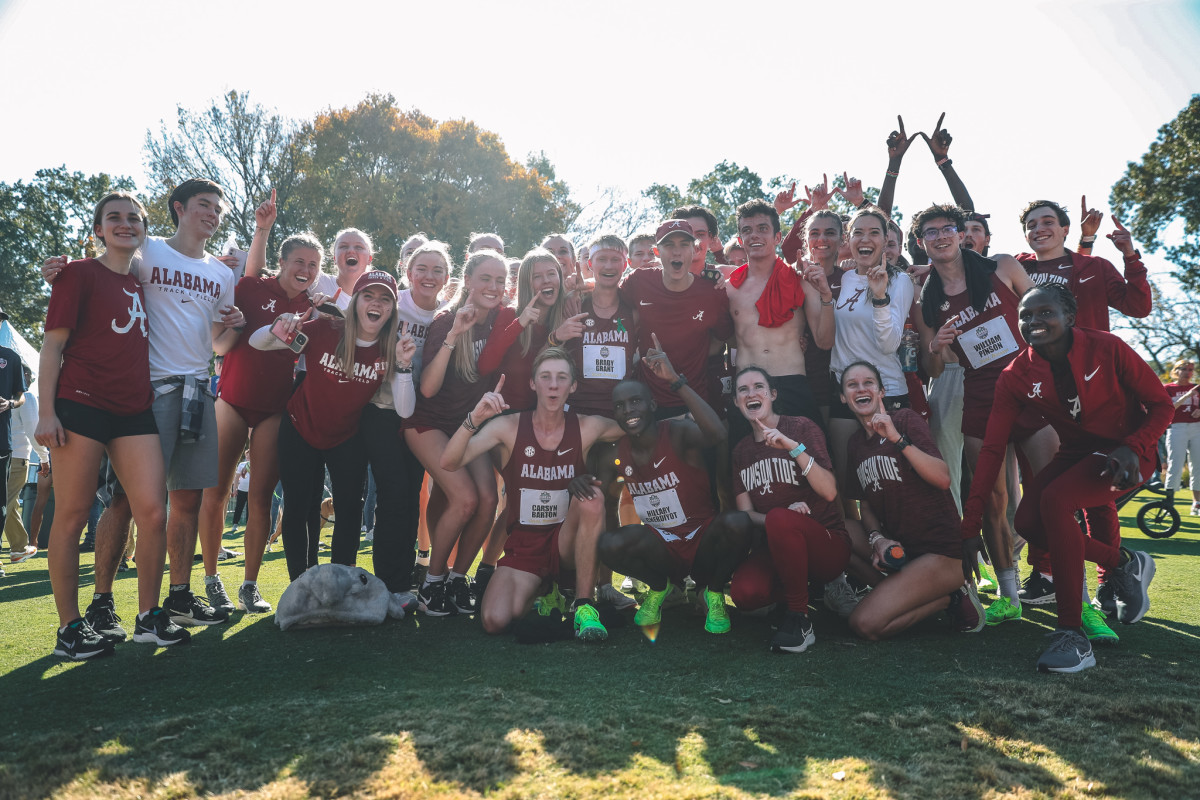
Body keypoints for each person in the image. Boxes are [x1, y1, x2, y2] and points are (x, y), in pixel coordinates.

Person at [43, 178, 244, 633]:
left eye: (218, 208)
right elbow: (99, 269)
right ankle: (100, 602)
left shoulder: (222, 272)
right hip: (145, 393)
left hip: (196, 390)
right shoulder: (147, 250)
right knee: (123, 503)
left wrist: (237, 325)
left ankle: (174, 599)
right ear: (179, 208)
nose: (211, 213)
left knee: (182, 502)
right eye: (202, 205)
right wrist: (58, 269)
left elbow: (219, 343)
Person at [961, 283, 1170, 672]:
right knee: (1027, 521)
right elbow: (992, 450)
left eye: (1045, 313)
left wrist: (1134, 444)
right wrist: (970, 523)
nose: (1034, 321)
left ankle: (1072, 635)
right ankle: (1123, 563)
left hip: (1129, 454)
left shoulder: (1107, 347)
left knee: (1056, 501)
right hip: (1077, 454)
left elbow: (1161, 405)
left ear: (1070, 317)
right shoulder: (1015, 375)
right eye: (1026, 315)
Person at [36, 191, 188, 658]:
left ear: (144, 229)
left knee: (153, 511)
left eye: (134, 218)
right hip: (80, 404)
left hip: (133, 409)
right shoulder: (77, 274)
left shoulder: (143, 283)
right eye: (113, 218)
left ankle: (148, 618)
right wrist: (45, 412)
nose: (125, 224)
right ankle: (69, 629)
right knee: (74, 514)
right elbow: (52, 347)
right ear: (98, 229)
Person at [912, 203, 1058, 626]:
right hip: (979, 398)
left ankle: (1078, 593)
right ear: (922, 243)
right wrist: (938, 345)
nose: (939, 237)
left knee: (1052, 491)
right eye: (930, 233)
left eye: (947, 229)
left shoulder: (1003, 266)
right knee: (991, 499)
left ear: (962, 233)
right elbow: (934, 368)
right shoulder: (930, 300)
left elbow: (1047, 314)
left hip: (1029, 390)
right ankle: (1008, 595)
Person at [441, 348, 625, 639]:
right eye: (546, 377)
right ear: (532, 383)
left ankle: (584, 605)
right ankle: (545, 590)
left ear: (573, 386)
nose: (553, 385)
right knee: (494, 621)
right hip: (524, 545)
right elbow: (449, 462)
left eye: (562, 377)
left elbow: (635, 429)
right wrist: (474, 419)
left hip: (567, 542)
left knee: (593, 498)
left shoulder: (587, 426)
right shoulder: (508, 427)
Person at [252, 271, 412, 583]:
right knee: (298, 506)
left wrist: (404, 366)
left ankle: (342, 584)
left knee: (349, 510)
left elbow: (406, 409)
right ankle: (301, 583)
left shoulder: (391, 348)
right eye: (368, 296)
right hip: (299, 427)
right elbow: (258, 343)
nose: (376, 303)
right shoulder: (325, 328)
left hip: (347, 436)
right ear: (356, 303)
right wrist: (280, 325)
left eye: (385, 299)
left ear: (392, 309)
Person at [198, 222, 324, 613]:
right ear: (281, 263)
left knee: (261, 498)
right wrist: (261, 231)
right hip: (232, 401)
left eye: (314, 264)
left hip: (274, 409)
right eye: (299, 261)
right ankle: (211, 578)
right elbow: (220, 337)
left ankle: (250, 585)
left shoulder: (314, 307)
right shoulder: (251, 287)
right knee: (216, 491)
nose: (305, 269)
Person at [593, 339, 753, 636]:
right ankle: (659, 587)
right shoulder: (614, 454)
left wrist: (676, 382)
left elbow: (717, 433)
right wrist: (580, 479)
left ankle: (713, 592)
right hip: (661, 547)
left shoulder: (678, 433)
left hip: (702, 540)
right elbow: (603, 502)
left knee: (738, 523)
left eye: (636, 402)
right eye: (620, 406)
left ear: (652, 405)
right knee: (608, 545)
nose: (629, 410)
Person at [840, 361, 985, 641]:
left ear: (882, 391)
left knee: (864, 624)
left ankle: (952, 597)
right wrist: (877, 539)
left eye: (868, 382)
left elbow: (943, 478)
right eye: (852, 385)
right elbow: (866, 505)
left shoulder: (904, 420)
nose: (861, 389)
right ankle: (904, 590)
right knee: (837, 534)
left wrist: (897, 439)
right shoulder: (855, 443)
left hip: (940, 552)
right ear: (843, 397)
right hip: (902, 547)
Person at [405, 250, 507, 615]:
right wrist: (454, 335)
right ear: (467, 281)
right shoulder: (446, 320)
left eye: (500, 280)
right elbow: (429, 389)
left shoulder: (501, 321)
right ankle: (432, 583)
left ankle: (457, 579)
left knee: (489, 500)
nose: (493, 287)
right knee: (464, 499)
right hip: (428, 422)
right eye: (485, 278)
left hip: (469, 424)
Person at [727, 367, 848, 653]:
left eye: (758, 386)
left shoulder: (801, 427)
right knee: (744, 594)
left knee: (782, 519)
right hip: (777, 542)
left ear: (772, 394)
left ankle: (799, 619)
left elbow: (830, 491)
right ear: (736, 401)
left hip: (826, 542)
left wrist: (792, 447)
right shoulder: (741, 451)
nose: (751, 393)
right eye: (743, 390)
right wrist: (780, 520)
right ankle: (800, 592)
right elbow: (746, 513)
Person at [619, 221, 733, 418]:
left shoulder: (712, 292)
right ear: (657, 251)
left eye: (684, 244)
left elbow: (725, 339)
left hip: (693, 401)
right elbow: (611, 301)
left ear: (694, 249)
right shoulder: (639, 281)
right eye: (669, 245)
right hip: (647, 402)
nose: (677, 252)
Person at [5, 364, 45, 563]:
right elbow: (33, 431)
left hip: (7, 456)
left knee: (9, 504)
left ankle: (19, 547)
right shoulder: (26, 397)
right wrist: (44, 457)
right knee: (5, 504)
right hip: (18, 457)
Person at [0, 309, 26, 552]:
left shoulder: (11, 357)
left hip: (2, 442)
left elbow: (21, 395)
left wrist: (9, 403)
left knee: (1, 502)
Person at [1163, 359, 1200, 515]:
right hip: (1176, 427)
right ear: (1176, 370)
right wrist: (1189, 395)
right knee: (1175, 464)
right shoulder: (1168, 388)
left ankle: (1197, 504)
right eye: (1185, 368)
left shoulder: (1197, 387)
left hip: (1197, 428)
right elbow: (1170, 407)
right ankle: (1168, 503)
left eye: (1191, 369)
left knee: (1198, 466)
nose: (1188, 372)